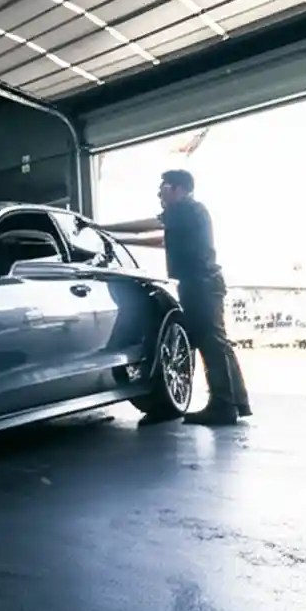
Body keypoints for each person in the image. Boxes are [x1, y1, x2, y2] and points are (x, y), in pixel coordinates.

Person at [99, 169, 251, 425]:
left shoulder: (185, 211)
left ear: (180, 189)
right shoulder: (190, 214)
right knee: (216, 343)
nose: (160, 192)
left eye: (164, 187)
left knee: (211, 343)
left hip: (201, 286)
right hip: (204, 285)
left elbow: (147, 227)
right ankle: (234, 403)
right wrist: (115, 237)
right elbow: (160, 239)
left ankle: (223, 406)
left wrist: (103, 230)